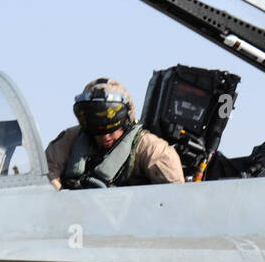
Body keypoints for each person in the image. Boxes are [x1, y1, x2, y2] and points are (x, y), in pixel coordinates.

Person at [44, 78, 184, 190]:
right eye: (97, 131)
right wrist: (60, 196)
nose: (105, 137)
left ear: (126, 120)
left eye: (111, 130)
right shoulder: (70, 138)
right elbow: (45, 173)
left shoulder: (151, 149)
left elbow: (174, 198)